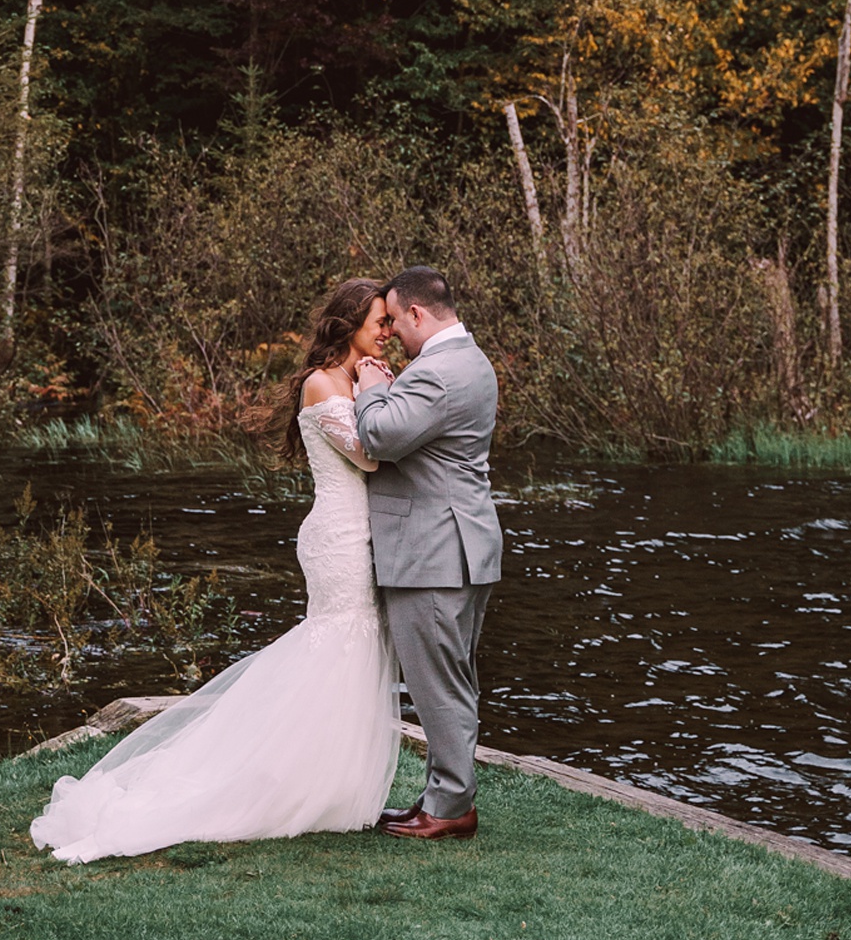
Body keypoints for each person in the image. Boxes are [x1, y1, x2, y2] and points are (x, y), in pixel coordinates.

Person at [29, 277, 401, 863]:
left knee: (354, 648)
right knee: (336, 644)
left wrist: (378, 389)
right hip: (339, 537)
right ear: (350, 322)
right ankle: (272, 780)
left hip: (361, 533)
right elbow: (371, 454)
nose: (388, 331)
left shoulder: (358, 379)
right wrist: (380, 394)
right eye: (380, 320)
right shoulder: (322, 383)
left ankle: (328, 785)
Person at [354, 264, 502, 840]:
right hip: (462, 545)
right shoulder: (473, 361)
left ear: (417, 313)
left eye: (394, 319)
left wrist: (372, 389)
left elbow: (383, 436)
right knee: (453, 679)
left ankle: (448, 809)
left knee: (438, 685)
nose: (391, 331)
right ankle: (443, 795)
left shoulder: (438, 373)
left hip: (434, 551)